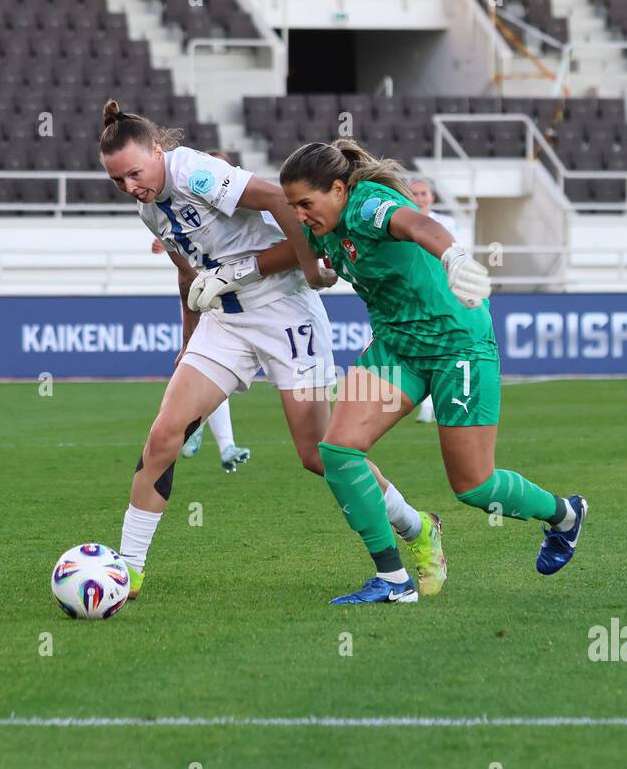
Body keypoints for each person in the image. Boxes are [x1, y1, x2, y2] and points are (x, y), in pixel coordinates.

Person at [100, 103, 445, 600]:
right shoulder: (148, 207)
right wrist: (187, 341)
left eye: (134, 172)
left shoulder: (194, 171)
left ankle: (417, 530)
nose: (130, 186)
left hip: (286, 313)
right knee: (163, 436)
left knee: (318, 454)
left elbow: (281, 203)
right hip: (225, 320)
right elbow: (187, 275)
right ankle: (127, 570)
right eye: (118, 181)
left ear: (158, 151)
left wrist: (310, 266)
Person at [279, 139, 587, 605]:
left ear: (340, 188)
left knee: (474, 486)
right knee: (338, 452)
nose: (299, 214)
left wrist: (454, 257)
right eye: (292, 206)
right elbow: (288, 255)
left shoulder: (367, 207)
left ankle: (564, 514)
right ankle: (393, 579)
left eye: (305, 203)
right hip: (396, 348)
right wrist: (229, 276)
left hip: (457, 344)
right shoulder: (321, 226)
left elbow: (420, 225)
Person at [150, 151, 252, 472]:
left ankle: (207, 430)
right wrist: (187, 341)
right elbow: (186, 274)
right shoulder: (173, 209)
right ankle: (210, 434)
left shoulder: (241, 206)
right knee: (211, 370)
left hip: (257, 299)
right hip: (216, 299)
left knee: (315, 445)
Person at [408, 177, 456, 423]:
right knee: (427, 352)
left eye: (423, 193)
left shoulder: (447, 223)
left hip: (441, 294)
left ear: (432, 197)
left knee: (441, 352)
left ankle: (439, 405)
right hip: (415, 294)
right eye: (414, 193)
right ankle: (428, 406)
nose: (420, 198)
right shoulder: (401, 222)